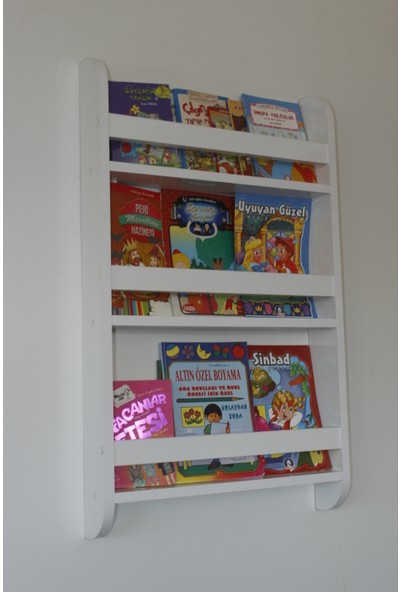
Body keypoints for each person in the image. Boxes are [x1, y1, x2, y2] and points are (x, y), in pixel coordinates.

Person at [203, 403, 230, 470]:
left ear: (220, 417)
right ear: (206, 417)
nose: (214, 418)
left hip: (222, 442)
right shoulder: (209, 426)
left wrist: (227, 430)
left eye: (215, 416)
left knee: (224, 450)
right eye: (211, 416)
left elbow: (227, 433)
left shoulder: (222, 426)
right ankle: (216, 461)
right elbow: (206, 435)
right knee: (215, 451)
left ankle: (224, 461)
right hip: (213, 443)